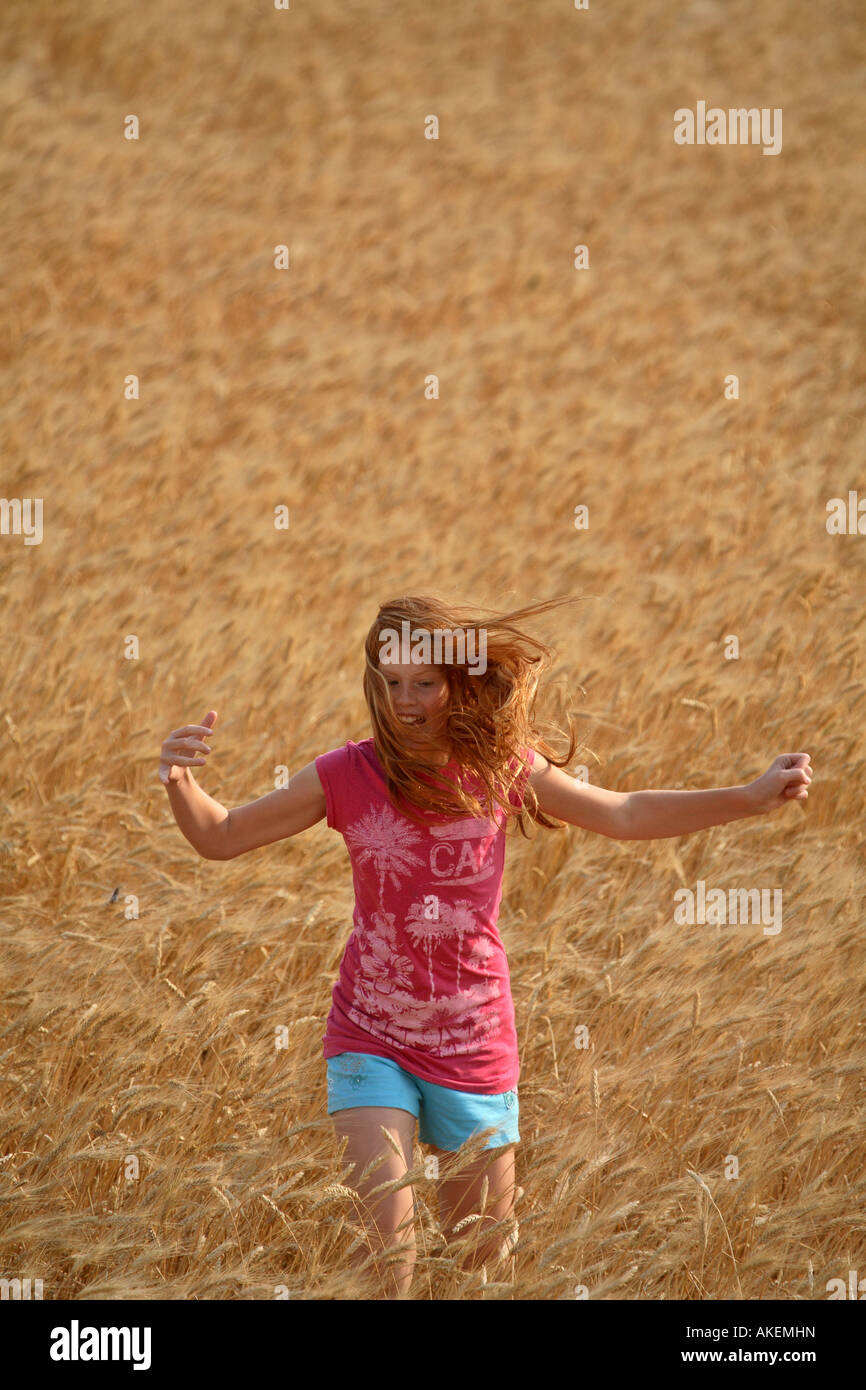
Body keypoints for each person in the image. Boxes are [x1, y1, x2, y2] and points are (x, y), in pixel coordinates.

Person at [158, 593, 812, 1299]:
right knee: (386, 1265)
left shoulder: (503, 768)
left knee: (480, 1271)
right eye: (390, 682)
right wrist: (181, 781)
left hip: (473, 1042)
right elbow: (221, 837)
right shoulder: (345, 775)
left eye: (424, 683)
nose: (405, 701)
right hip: (369, 1035)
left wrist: (748, 797)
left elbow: (622, 812)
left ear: (458, 682)